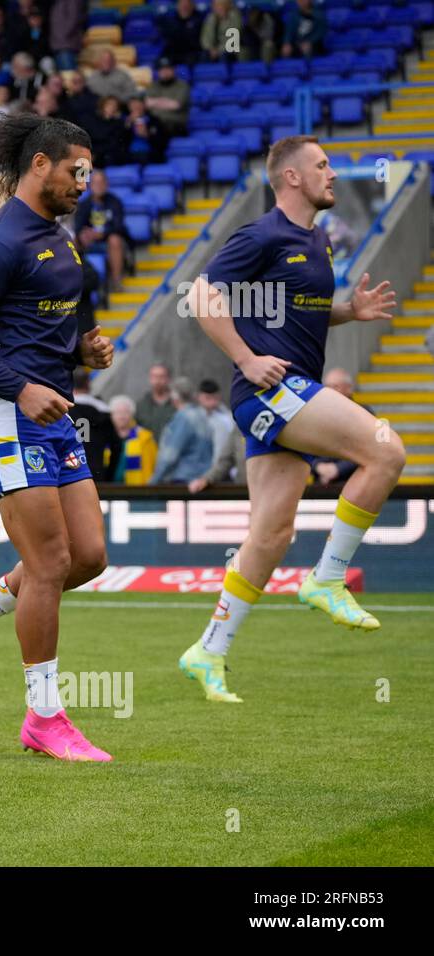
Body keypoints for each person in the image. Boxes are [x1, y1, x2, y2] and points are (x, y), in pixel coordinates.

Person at [179, 134, 402, 702]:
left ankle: (208, 651)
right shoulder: (261, 233)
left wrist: (350, 311)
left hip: (285, 397)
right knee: (386, 450)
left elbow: (297, 310)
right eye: (323, 165)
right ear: (293, 178)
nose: (333, 173)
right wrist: (246, 358)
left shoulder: (317, 238)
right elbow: (202, 296)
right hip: (271, 390)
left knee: (271, 535)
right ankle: (328, 578)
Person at [0, 113, 117, 761]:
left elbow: (48, 328)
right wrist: (20, 386)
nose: (84, 183)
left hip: (51, 413)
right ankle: (43, 717)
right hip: (10, 414)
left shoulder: (59, 240)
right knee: (48, 564)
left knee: (88, 556)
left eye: (88, 173)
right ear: (41, 165)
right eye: (76, 171)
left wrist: (85, 349)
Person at [74, 169, 130, 291]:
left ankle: (116, 282)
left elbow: (119, 227)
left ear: (106, 184)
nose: (98, 186)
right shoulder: (84, 205)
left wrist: (102, 234)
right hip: (90, 242)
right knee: (73, 241)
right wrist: (83, 234)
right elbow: (77, 226)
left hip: (108, 242)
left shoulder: (115, 202)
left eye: (101, 183)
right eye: (95, 183)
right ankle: (74, 282)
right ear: (90, 186)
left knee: (115, 240)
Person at [149, 377, 213, 484]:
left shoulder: (183, 418)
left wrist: (154, 480)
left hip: (183, 480)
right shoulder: (202, 415)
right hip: (201, 479)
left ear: (175, 396)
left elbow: (170, 455)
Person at [311, 367, 366, 487]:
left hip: (355, 484)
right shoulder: (314, 414)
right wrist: (318, 466)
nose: (331, 391)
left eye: (336, 387)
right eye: (328, 387)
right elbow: (303, 447)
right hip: (320, 487)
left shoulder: (365, 415)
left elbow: (371, 450)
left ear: (349, 389)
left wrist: (338, 469)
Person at [108, 395, 157, 485]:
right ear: (111, 415)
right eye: (118, 412)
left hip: (136, 490)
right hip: (109, 488)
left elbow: (151, 466)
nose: (121, 416)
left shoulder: (145, 437)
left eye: (125, 412)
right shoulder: (105, 437)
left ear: (132, 415)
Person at [136, 362, 176, 438]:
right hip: (148, 448)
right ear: (149, 379)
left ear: (168, 379)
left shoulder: (177, 404)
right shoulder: (140, 405)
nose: (158, 380)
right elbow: (133, 431)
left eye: (161, 376)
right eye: (154, 376)